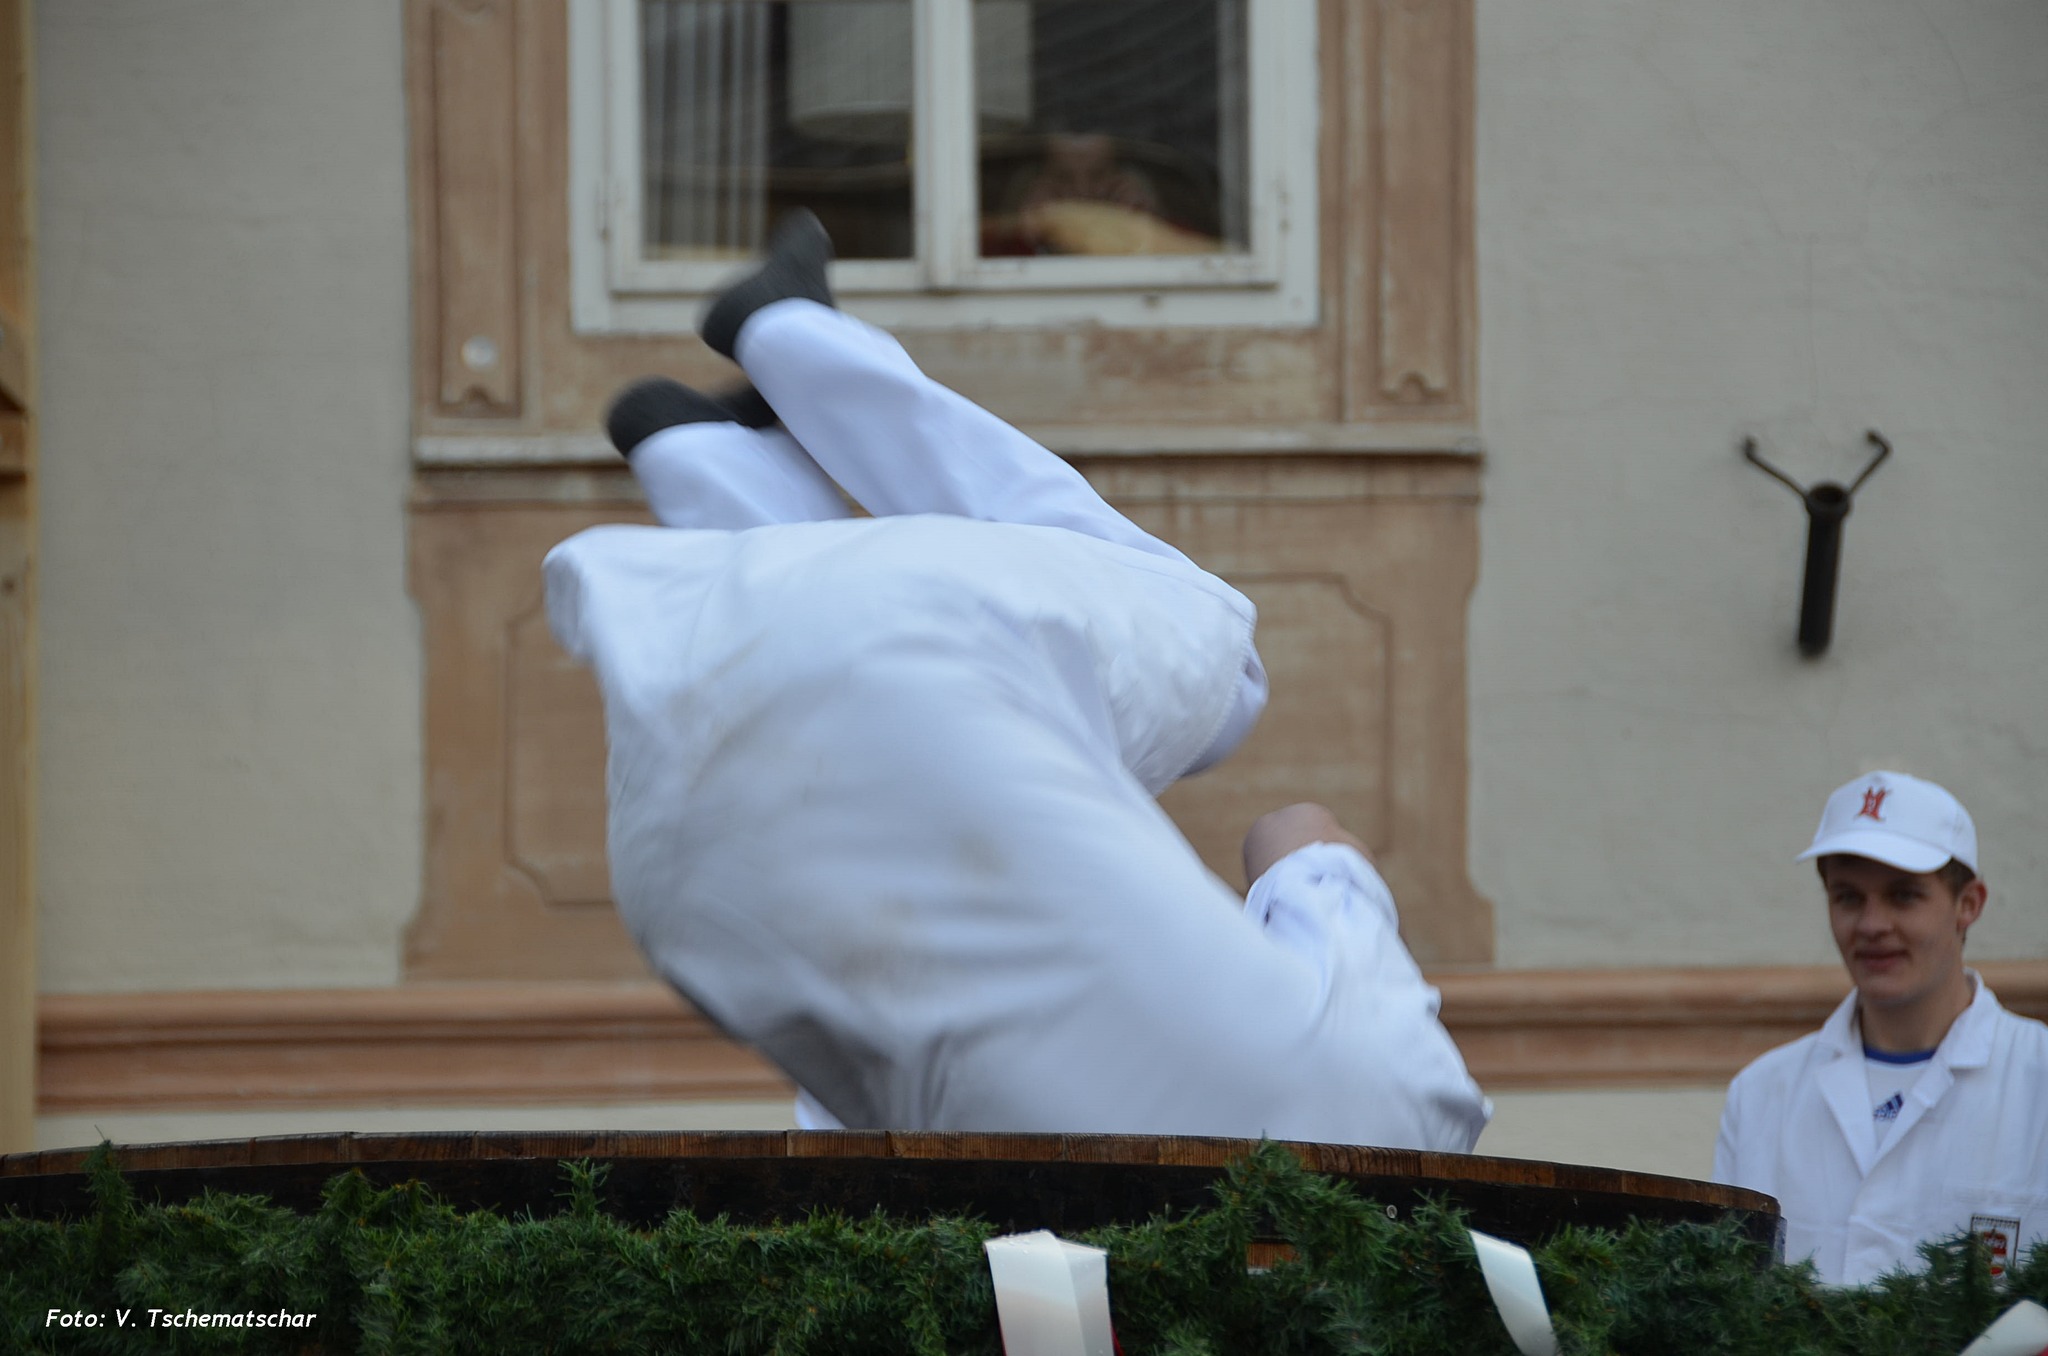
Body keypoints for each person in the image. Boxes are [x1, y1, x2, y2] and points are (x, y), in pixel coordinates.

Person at [543, 212, 1488, 1150]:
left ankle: (794, 338)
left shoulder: (1410, 1101)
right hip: (682, 859)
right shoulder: (1044, 1218)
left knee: (1220, 655)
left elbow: (1294, 831)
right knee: (912, 734)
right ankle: (704, 461)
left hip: (915, 651)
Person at [1713, 770, 2048, 1285]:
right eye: (1848, 896)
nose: (1871, 925)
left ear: (1969, 904)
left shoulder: (2038, 1080)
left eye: (1904, 895)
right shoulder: (1761, 1094)